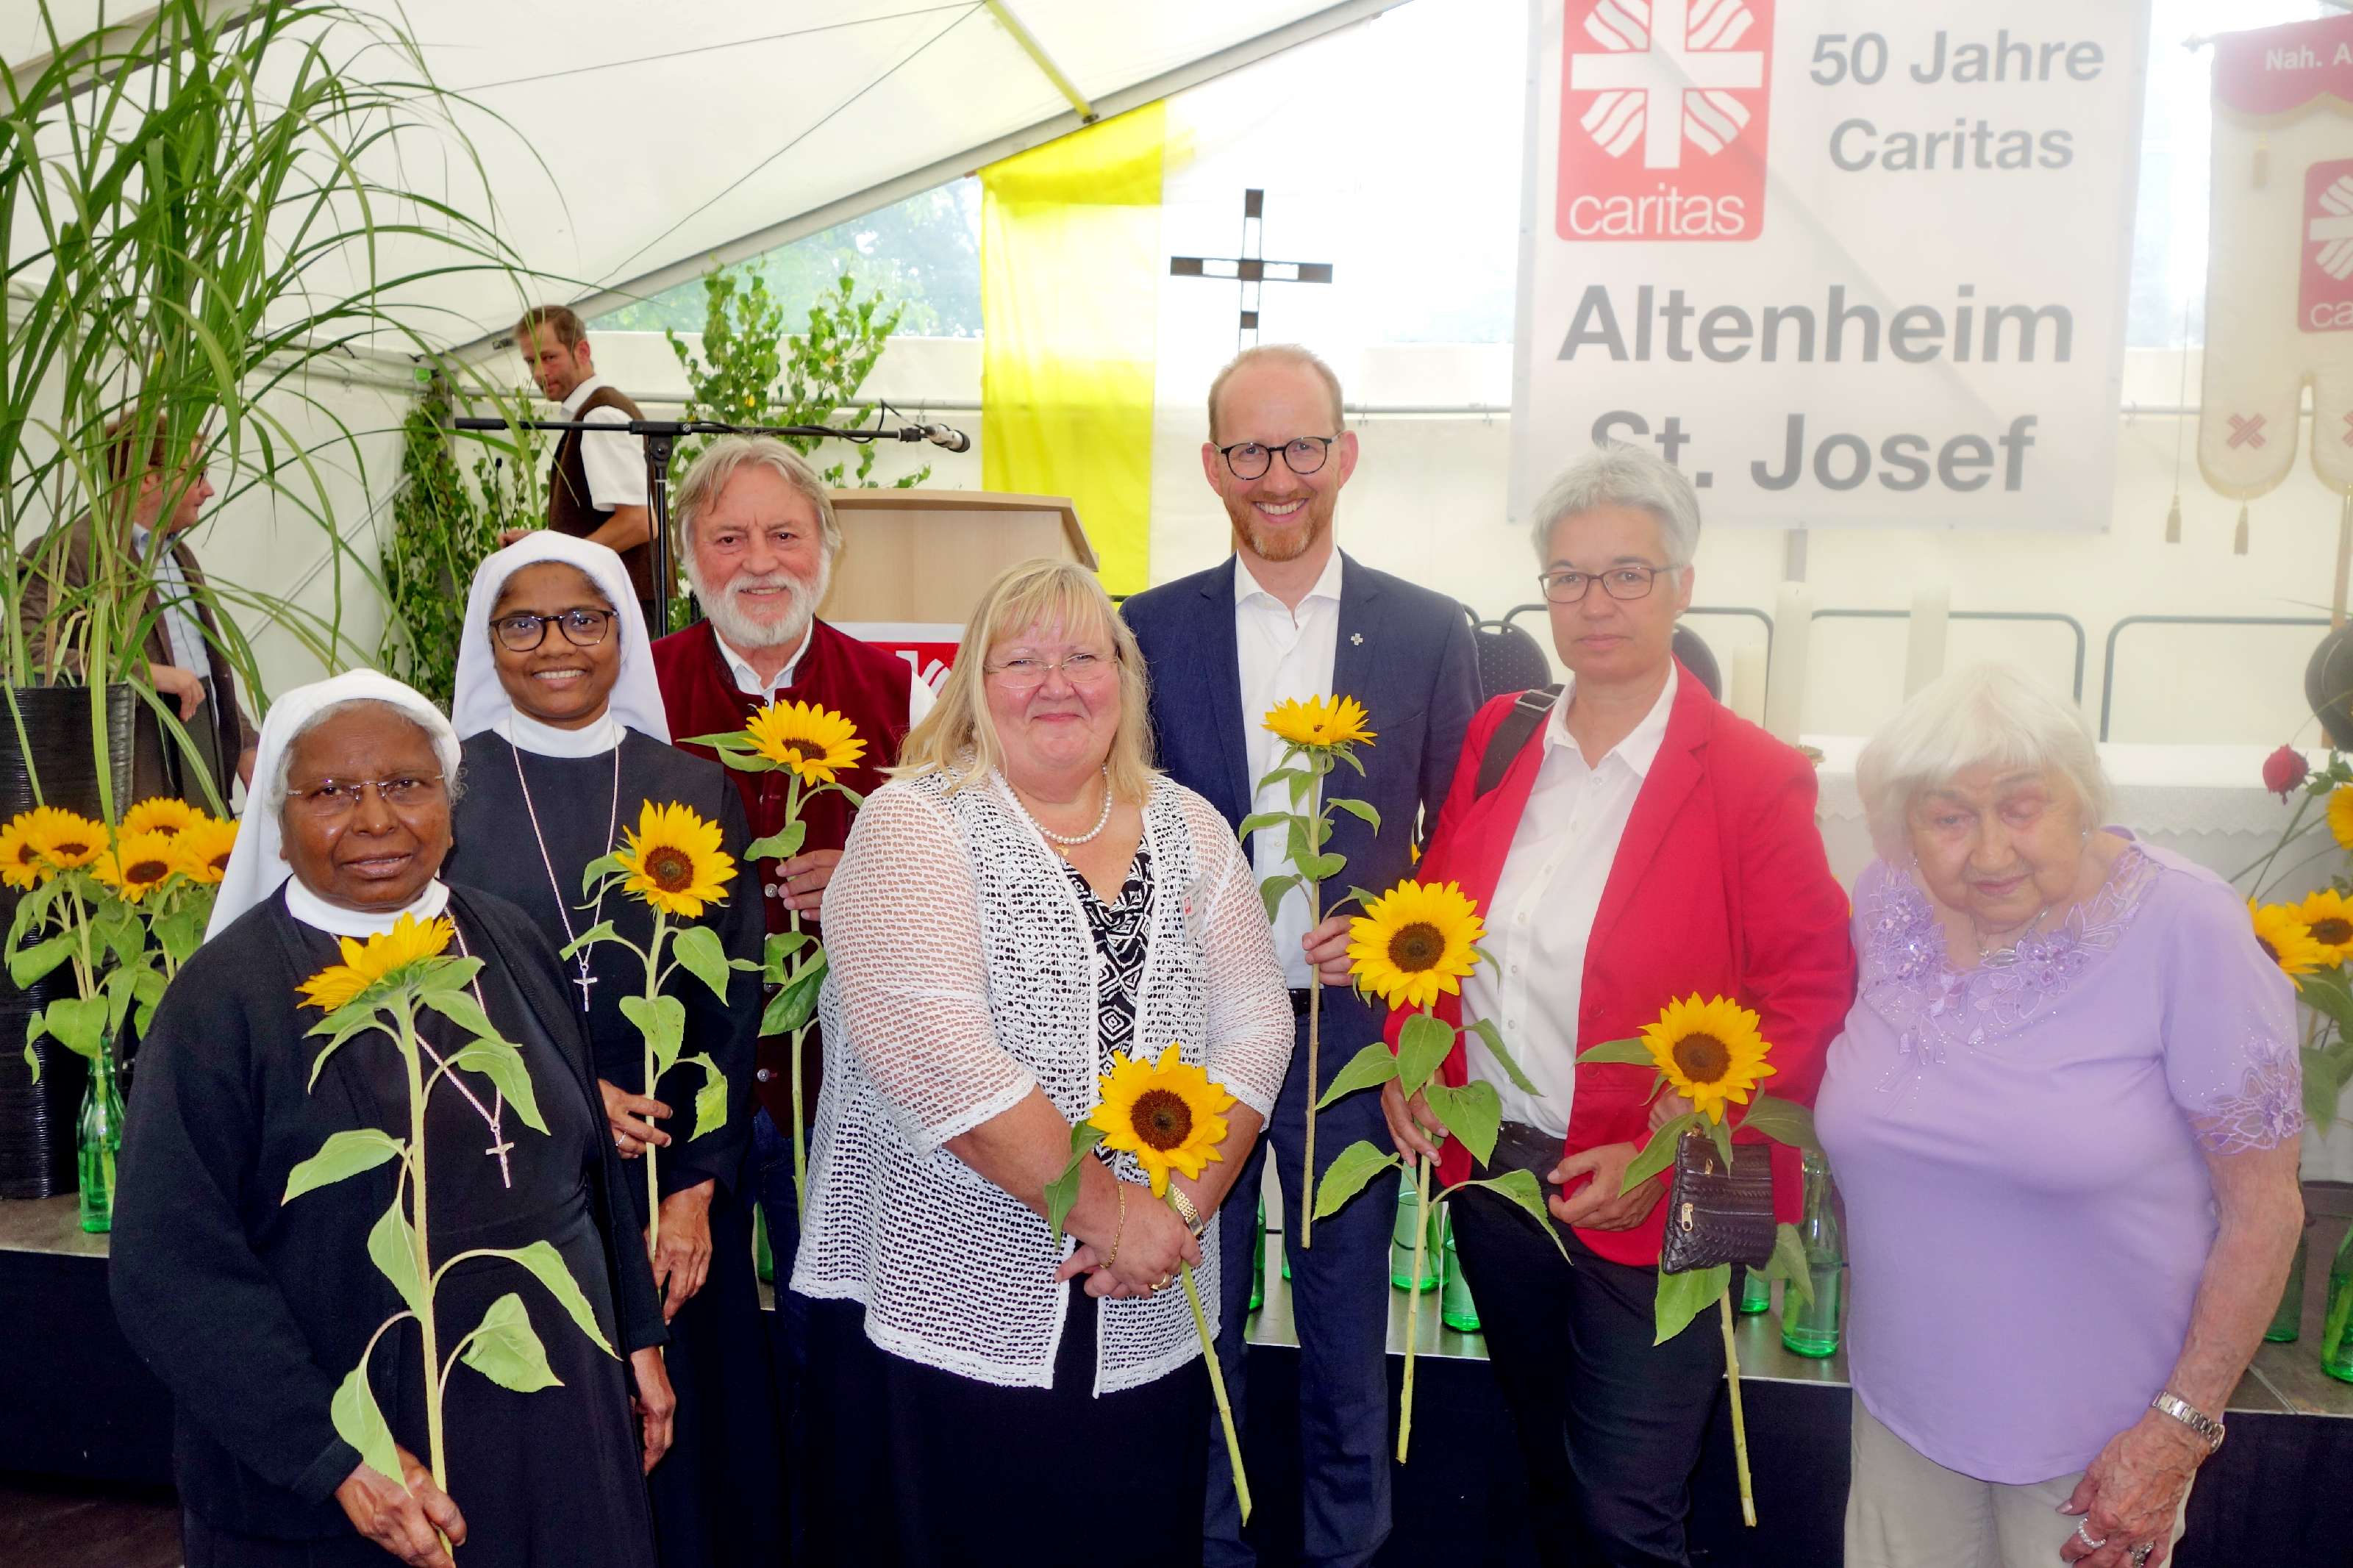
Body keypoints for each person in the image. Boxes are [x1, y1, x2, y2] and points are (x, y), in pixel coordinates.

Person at [1382, 443, 1854, 1568]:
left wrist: (1664, 1150)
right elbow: (1433, 927)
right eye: (1570, 575)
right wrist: (1413, 1062)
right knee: (1549, 1467)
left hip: (1681, 1177)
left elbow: (1810, 988)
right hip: (1505, 1175)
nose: (1596, 603)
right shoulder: (1503, 737)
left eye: (1628, 573)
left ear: (1684, 583)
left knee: (1625, 1512)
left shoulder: (1754, 774)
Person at [790, 557, 1293, 1567]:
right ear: (973, 685)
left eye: (1083, 657)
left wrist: (1175, 1216)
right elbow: (945, 1066)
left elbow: (1259, 1022)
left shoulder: (1190, 825)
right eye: (1020, 660)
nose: (1056, 683)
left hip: (1145, 1306)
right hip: (956, 1309)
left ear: (1125, 680)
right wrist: (1119, 1220)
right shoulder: (913, 822)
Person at [110, 670, 671, 1568]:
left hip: (558, 1426)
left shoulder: (507, 937)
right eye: (331, 792)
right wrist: (334, 1456)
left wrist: (634, 1339)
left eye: (406, 785)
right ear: (278, 822)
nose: (375, 820)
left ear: (449, 808)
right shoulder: (223, 999)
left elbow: (585, 1170)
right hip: (354, 1463)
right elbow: (169, 1266)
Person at [1816, 663, 2306, 1568]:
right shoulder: (1887, 901)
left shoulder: (2185, 926)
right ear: (1903, 826)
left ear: (2080, 799)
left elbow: (2264, 1208)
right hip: (1901, 1411)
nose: (1987, 851)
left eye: (2019, 806)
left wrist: (2177, 1431)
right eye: (1947, 818)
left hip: (2101, 1448)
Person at [1119, 343, 1480, 1568]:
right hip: (1192, 1043)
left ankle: (1346, 1552)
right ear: (1212, 464)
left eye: (1303, 447)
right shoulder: (1144, 629)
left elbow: (1462, 845)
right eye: (1251, 451)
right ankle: (1209, 1548)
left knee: (1343, 1341)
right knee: (1193, 1325)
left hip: (1352, 1048)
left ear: (1347, 453)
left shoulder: (1428, 631)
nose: (1279, 477)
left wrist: (1391, 940)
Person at [443, 534, 778, 1567]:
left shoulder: (692, 785)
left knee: (699, 1457)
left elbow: (732, 1005)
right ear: (488, 641)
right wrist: (568, 1089)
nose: (556, 645)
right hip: (512, 1167)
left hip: (669, 1177)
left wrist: (696, 1192)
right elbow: (433, 986)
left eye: (583, 619)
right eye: (523, 623)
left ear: (621, 634)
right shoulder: (441, 791)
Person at [649, 434, 931, 1477]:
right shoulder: (640, 688)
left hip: (846, 1085)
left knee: (843, 1340)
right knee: (697, 1346)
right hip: (681, 1084)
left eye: (784, 534)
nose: (759, 561)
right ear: (688, 554)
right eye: (729, 538)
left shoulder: (900, 693)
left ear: (827, 546)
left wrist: (865, 867)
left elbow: (957, 865)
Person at [18, 413, 258, 798]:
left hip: (202, 760)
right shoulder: (67, 553)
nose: (210, 490)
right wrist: (148, 674)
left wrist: (244, 743)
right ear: (149, 477)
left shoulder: (179, 554)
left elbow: (201, 664)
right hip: (131, 773)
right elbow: (26, 656)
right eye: (198, 475)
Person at [507, 305, 657, 633]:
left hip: (616, 605)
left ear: (583, 351)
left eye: (549, 357)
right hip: (611, 603)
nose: (539, 373)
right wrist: (544, 543)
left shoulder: (601, 416)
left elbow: (639, 522)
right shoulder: (593, 412)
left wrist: (563, 558)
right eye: (531, 362)